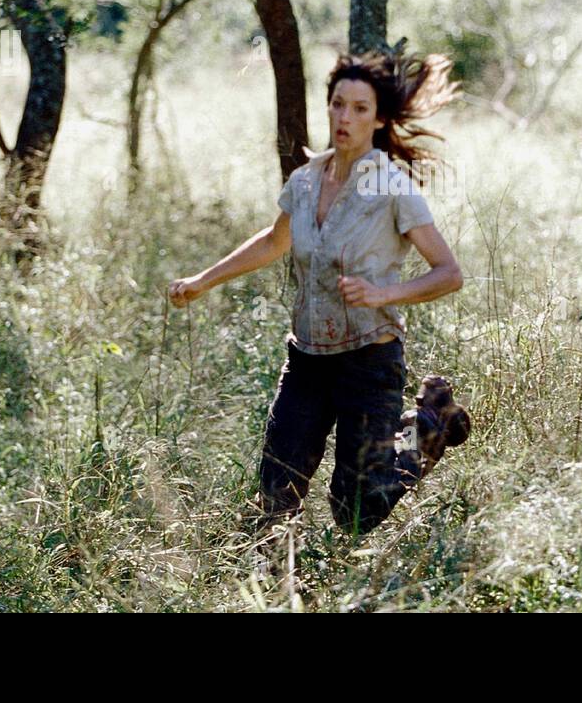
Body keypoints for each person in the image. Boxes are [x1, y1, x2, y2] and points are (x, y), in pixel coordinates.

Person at [167, 50, 470, 538]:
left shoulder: (391, 186)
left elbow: (448, 273)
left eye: (359, 108)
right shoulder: (306, 180)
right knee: (275, 494)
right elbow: (272, 241)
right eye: (337, 104)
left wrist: (380, 293)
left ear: (380, 119)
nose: (344, 117)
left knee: (357, 510)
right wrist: (203, 281)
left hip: (369, 362)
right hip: (307, 358)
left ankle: (426, 429)